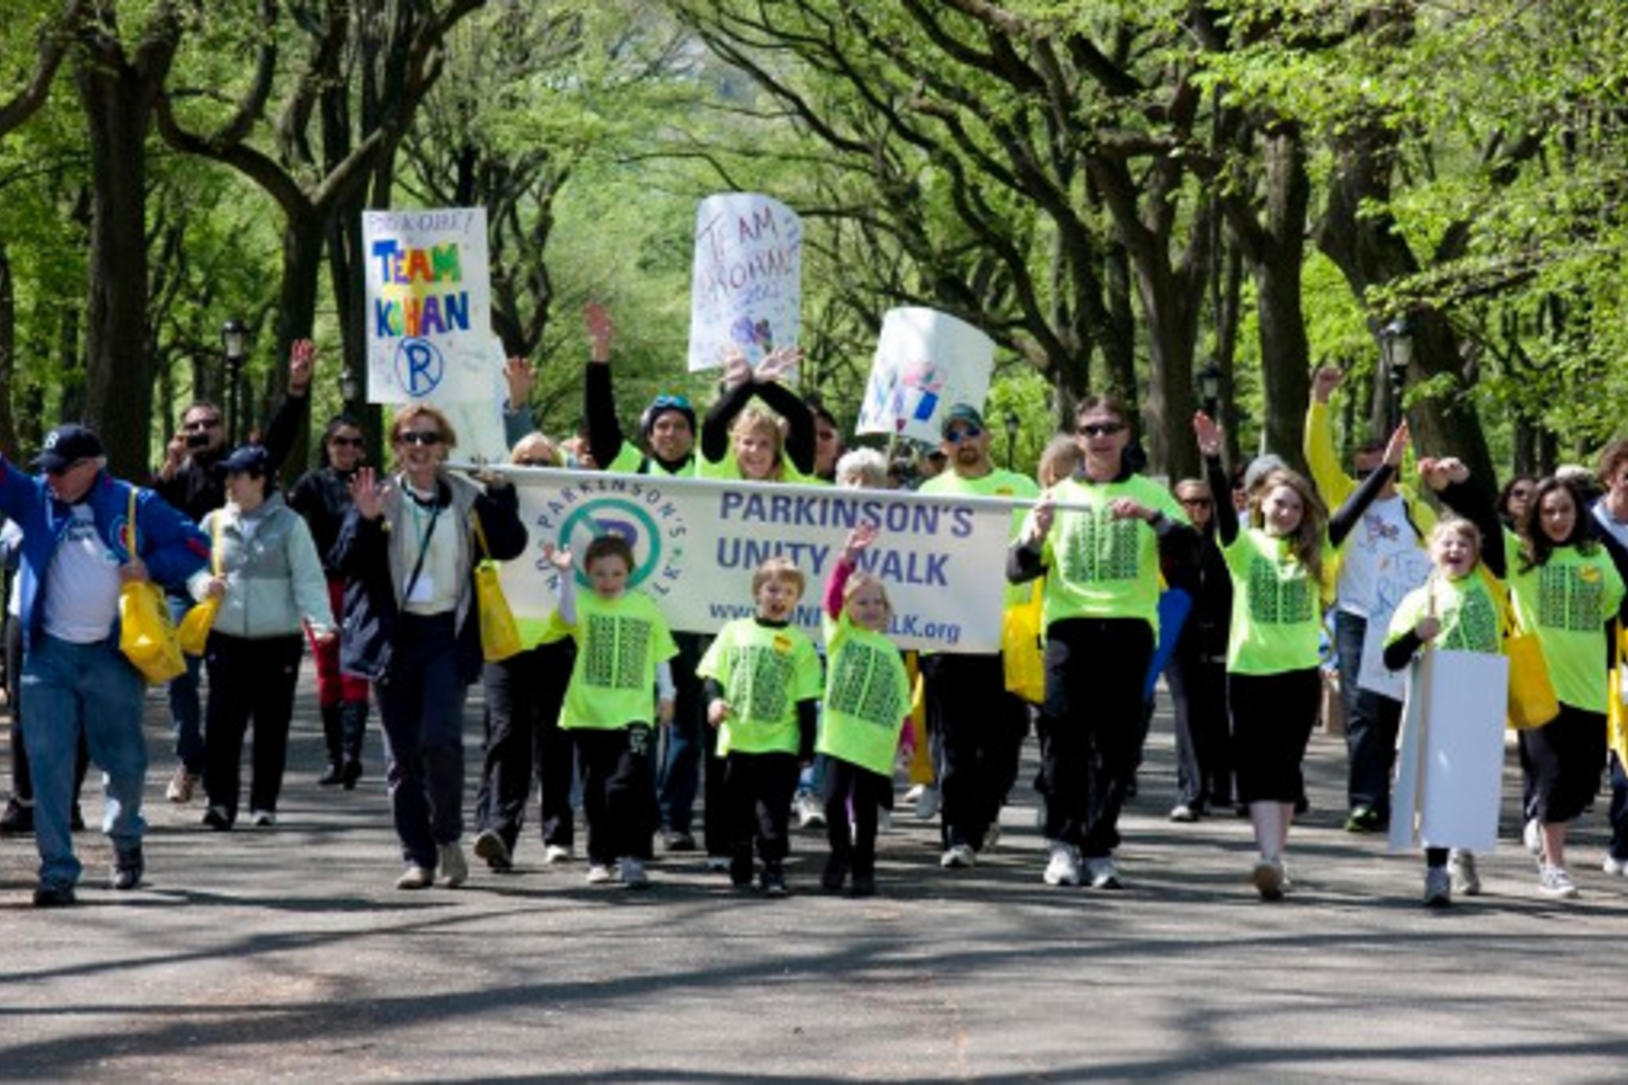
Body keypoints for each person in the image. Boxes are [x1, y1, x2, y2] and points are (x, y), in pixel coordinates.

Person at [1199, 412, 1408, 899]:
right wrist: (1212, 458)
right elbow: (1223, 512)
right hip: (1249, 672)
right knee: (1256, 769)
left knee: (1285, 768)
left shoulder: (1318, 549)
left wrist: (1387, 467)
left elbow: (1353, 509)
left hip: (1297, 676)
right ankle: (1270, 858)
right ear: (1260, 503)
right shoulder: (1243, 546)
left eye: (1295, 505)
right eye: (1279, 502)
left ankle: (1276, 856)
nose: (1287, 511)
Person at [1, 424, 209, 906]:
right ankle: (57, 872)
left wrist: (151, 567)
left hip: (112, 656)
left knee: (124, 760)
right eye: (47, 470)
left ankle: (126, 837)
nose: (51, 478)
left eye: (60, 470)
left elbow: (197, 546)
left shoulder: (136, 503)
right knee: (47, 764)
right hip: (46, 656)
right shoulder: (34, 498)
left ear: (91, 466)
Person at [331, 405, 527, 890]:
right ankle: (417, 857)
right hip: (393, 640)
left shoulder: (466, 497)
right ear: (396, 447)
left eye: (428, 438)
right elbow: (344, 563)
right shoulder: (379, 496)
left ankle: (447, 838)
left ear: (444, 446)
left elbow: (510, 544)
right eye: (408, 438)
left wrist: (501, 491)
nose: (418, 447)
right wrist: (365, 520)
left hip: (445, 635)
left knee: (440, 740)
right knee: (402, 757)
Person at [1008, 396, 1197, 889]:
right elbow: (1016, 570)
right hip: (1070, 630)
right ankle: (1062, 843)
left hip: (1129, 629)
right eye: (1091, 429)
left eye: (1110, 428)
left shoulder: (1149, 493)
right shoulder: (1057, 495)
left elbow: (1192, 550)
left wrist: (1152, 519)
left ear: (1127, 435)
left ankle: (1099, 846)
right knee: (1062, 740)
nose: (1101, 437)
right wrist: (1035, 536)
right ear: (1078, 438)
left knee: (1117, 747)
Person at [1433, 465, 1628, 899]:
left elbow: (1614, 604)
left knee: (1584, 781)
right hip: (1539, 686)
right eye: (1548, 512)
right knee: (1553, 778)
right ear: (1535, 517)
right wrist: (1460, 483)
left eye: (1564, 510)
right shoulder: (1522, 557)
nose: (1557, 519)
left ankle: (1541, 823)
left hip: (1591, 689)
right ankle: (1553, 867)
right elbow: (1483, 517)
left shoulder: (1596, 556)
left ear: (1578, 513)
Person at [571, 305, 714, 858]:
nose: (671, 433)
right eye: (662, 426)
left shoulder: (709, 472)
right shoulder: (634, 465)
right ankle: (640, 820)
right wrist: (599, 356)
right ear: (650, 435)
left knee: (687, 728)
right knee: (640, 727)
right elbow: (602, 425)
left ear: (692, 435)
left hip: (691, 618)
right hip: (636, 616)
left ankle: (675, 818)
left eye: (680, 426)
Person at [152, 339, 315, 805]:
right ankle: (191, 759)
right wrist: (167, 471)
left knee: (231, 693)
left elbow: (278, 442)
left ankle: (230, 780)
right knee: (180, 675)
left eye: (210, 424)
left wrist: (296, 392)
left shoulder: (240, 466)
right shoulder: (175, 474)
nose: (202, 431)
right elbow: (149, 521)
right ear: (181, 433)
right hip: (187, 588)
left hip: (237, 591)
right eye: (193, 426)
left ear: (224, 429)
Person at [1305, 365, 1436, 834]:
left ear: (1395, 466)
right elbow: (1317, 453)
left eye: (1379, 469)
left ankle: (1398, 798)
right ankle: (1366, 802)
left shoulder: (1414, 508)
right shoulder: (1344, 496)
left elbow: (1441, 556)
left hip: (1403, 625)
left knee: (1394, 711)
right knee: (1362, 710)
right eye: (1362, 471)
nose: (1370, 478)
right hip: (1356, 618)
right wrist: (1320, 400)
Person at [920, 404, 1040, 868]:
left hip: (1007, 635)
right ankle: (957, 836)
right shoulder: (929, 493)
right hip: (946, 636)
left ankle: (984, 814)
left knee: (1004, 740)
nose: (963, 441)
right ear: (943, 446)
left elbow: (1041, 551)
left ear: (987, 436)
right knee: (955, 743)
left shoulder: (1022, 488)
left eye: (970, 431)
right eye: (953, 435)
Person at [193, 446, 335, 830]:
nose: (228, 483)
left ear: (259, 480)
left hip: (278, 641)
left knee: (272, 725)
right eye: (227, 476)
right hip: (226, 639)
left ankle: (264, 803)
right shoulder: (214, 522)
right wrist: (203, 585)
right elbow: (192, 567)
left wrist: (321, 623)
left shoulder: (291, 525)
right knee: (222, 724)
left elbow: (308, 578)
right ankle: (220, 803)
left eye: (236, 476)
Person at [1382, 510, 1504, 905]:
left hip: (1479, 699)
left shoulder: (1490, 589)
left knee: (1468, 783)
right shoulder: (1419, 599)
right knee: (1437, 787)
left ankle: (1462, 851)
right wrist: (1417, 635)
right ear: (1432, 551)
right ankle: (1436, 870)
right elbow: (1391, 658)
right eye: (1446, 543)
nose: (1455, 549)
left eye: (1463, 544)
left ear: (1476, 553)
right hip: (1436, 703)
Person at [543, 535, 677, 889]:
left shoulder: (645, 607)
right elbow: (566, 613)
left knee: (627, 782)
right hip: (589, 713)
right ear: (589, 573)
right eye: (600, 574)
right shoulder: (583, 602)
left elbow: (661, 654)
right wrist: (564, 575)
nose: (608, 581)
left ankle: (632, 855)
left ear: (629, 573)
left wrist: (667, 694)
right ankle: (599, 858)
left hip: (634, 714)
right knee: (595, 788)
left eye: (617, 573)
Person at [471, 433, 579, 871]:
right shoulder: (495, 508)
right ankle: (498, 832)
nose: (534, 469)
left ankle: (558, 833)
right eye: (525, 461)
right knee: (505, 736)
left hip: (555, 642)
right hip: (504, 642)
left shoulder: (573, 508)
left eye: (543, 462)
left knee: (555, 743)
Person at [698, 556, 822, 897]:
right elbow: (712, 675)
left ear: (797, 599)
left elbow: (806, 701)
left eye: (789, 592)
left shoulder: (800, 644)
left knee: (773, 812)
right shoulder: (734, 631)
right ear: (757, 592)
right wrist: (714, 701)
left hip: (780, 744)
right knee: (738, 810)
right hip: (738, 741)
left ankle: (773, 866)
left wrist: (806, 748)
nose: (779, 598)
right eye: (773, 590)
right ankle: (740, 854)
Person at [817, 523, 912, 897]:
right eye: (862, 602)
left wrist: (906, 739)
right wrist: (847, 559)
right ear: (847, 609)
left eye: (877, 603)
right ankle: (840, 854)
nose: (870, 608)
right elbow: (831, 600)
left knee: (867, 808)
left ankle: (863, 868)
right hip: (839, 738)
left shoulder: (891, 652)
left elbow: (901, 700)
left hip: (875, 743)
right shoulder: (840, 636)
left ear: (887, 610)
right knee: (832, 800)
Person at [287, 414, 371, 787]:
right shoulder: (312, 483)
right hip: (321, 587)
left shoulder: (372, 483)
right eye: (340, 441)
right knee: (328, 670)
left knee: (356, 669)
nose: (348, 449)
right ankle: (335, 757)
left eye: (355, 442)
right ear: (328, 445)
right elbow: (286, 521)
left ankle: (352, 755)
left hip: (362, 587)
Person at [1163, 475, 1233, 822]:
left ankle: (1221, 787)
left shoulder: (1224, 542)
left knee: (1217, 710)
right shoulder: (1166, 544)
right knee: (1187, 708)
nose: (1199, 509)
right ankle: (1191, 793)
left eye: (1205, 502)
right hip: (1178, 632)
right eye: (1191, 503)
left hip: (1220, 633)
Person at [698, 348, 816, 482]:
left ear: (775, 450)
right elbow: (714, 422)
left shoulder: (794, 474)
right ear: (735, 446)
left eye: (764, 443)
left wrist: (759, 383)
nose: (755, 450)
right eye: (747, 442)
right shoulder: (718, 469)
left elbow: (801, 418)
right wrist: (753, 382)